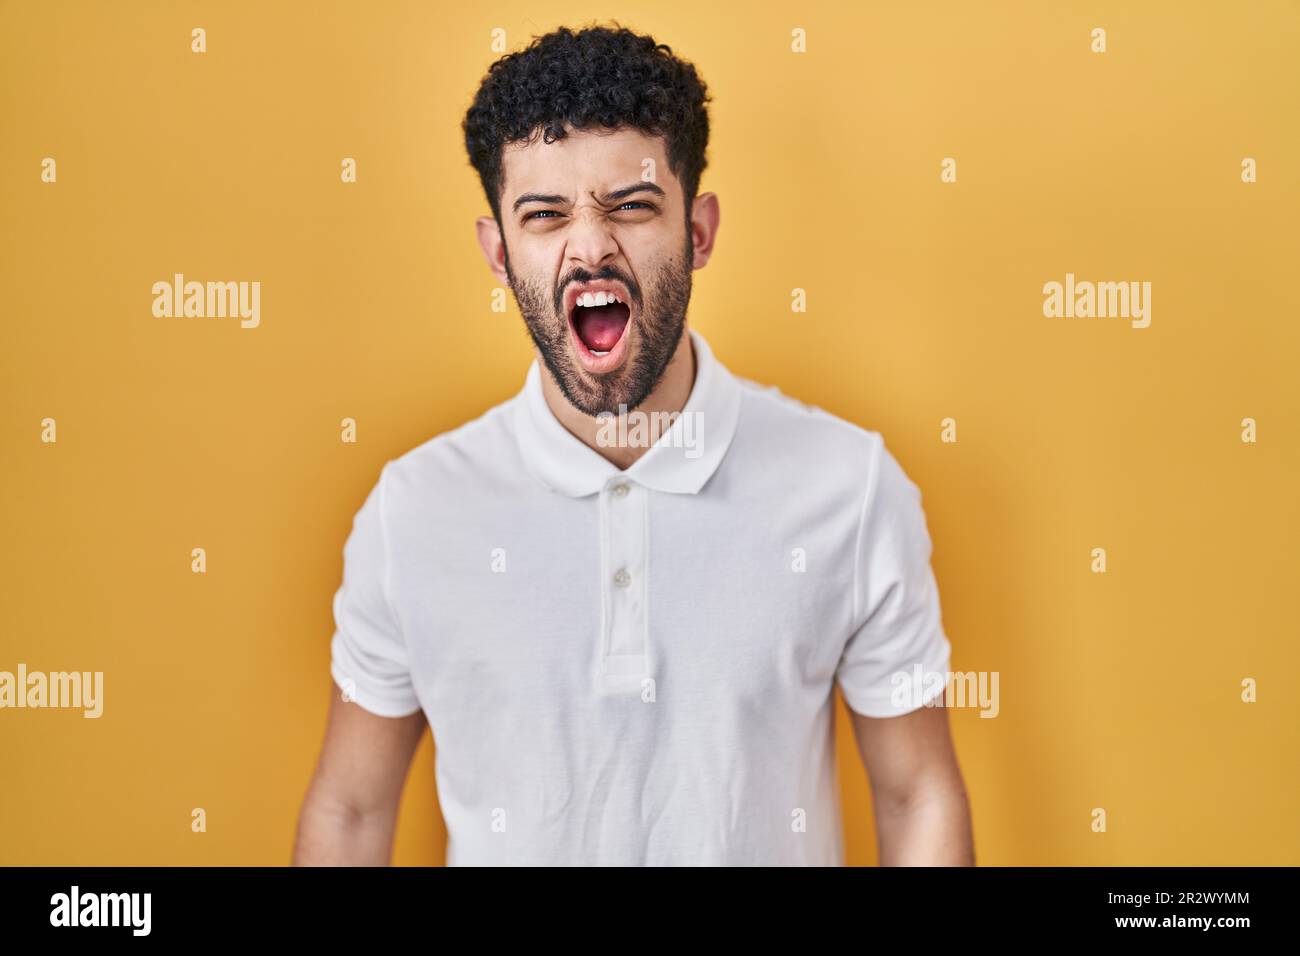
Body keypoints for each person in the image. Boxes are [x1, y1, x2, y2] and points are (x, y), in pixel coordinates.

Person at [294, 22, 974, 866]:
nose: (589, 247)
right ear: (500, 254)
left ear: (698, 232)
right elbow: (352, 812)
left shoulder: (850, 486)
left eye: (631, 205)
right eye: (545, 216)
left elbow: (917, 797)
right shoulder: (413, 513)